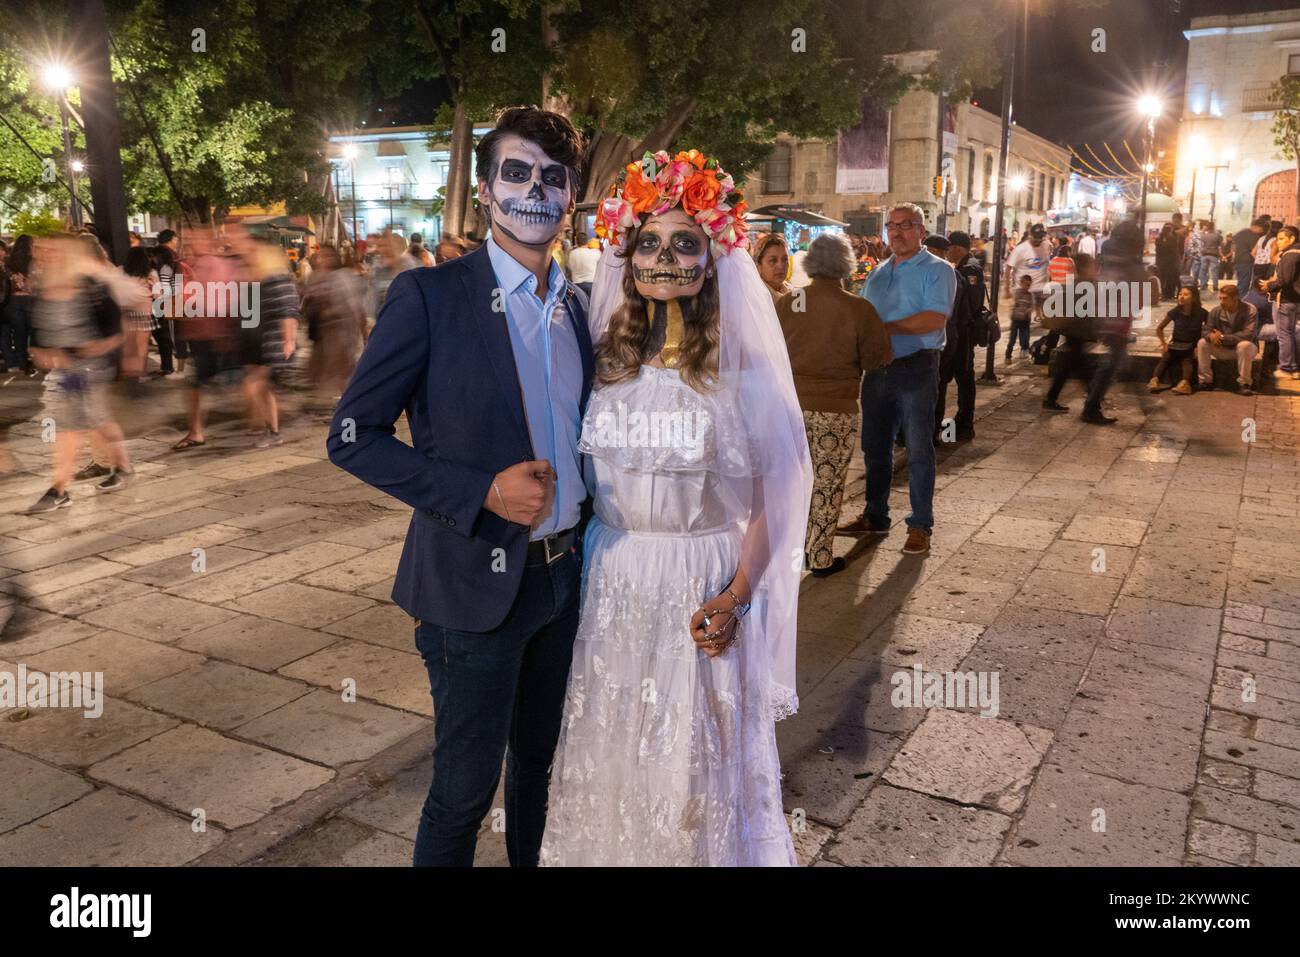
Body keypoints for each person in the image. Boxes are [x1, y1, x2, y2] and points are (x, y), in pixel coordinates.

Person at [328, 107, 591, 868]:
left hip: (565, 580)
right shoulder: (430, 296)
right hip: (473, 584)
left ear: (570, 195)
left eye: (552, 177)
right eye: (516, 171)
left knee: (540, 771)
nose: (534, 189)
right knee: (464, 791)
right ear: (484, 190)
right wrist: (480, 490)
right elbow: (351, 437)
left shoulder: (576, 308)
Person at [540, 145, 811, 866]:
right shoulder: (606, 362)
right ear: (626, 259)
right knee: (614, 747)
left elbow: (776, 504)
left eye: (684, 243)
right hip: (614, 582)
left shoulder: (742, 375)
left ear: (712, 256)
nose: (664, 258)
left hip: (703, 579)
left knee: (694, 766)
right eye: (648, 243)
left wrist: (738, 596)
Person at [837, 202, 956, 555]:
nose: (897, 231)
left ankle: (920, 525)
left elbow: (935, 318)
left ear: (921, 230)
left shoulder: (938, 270)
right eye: (892, 225)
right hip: (877, 370)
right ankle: (875, 515)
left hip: (916, 365)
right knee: (874, 447)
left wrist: (882, 330)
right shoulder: (878, 270)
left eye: (906, 225)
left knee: (919, 448)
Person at [777, 232, 890, 577]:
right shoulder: (858, 308)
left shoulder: (789, 303)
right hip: (836, 410)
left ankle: (786, 554)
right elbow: (877, 358)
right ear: (846, 265)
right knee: (826, 484)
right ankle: (820, 557)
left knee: (790, 483)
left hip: (789, 408)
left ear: (809, 263)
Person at [25, 234, 134, 510]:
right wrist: (40, 351)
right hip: (62, 371)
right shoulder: (42, 285)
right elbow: (38, 332)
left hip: (89, 368)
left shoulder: (90, 286)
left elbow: (117, 329)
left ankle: (59, 490)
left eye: (51, 249)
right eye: (40, 249)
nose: (44, 254)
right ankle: (123, 466)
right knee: (97, 419)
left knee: (68, 426)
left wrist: (95, 347)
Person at [1042, 221, 1144, 424]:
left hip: (1086, 329)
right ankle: (1091, 403)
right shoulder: (1089, 282)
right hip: (1086, 329)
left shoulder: (1104, 267)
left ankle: (1080, 399)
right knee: (1104, 363)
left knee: (1077, 363)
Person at [242, 239, 300, 446]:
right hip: (259, 341)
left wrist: (288, 341)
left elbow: (288, 310)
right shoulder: (257, 278)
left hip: (274, 342)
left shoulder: (278, 278)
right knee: (264, 389)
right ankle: (270, 430)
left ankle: (271, 430)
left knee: (255, 387)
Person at [302, 244, 367, 399]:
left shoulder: (343, 277)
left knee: (342, 365)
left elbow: (355, 306)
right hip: (320, 332)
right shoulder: (314, 276)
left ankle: (350, 398)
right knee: (321, 370)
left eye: (327, 256)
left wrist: (363, 332)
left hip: (340, 329)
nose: (323, 260)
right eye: (320, 256)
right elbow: (307, 300)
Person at [938, 230, 984, 442]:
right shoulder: (965, 266)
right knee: (960, 375)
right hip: (961, 330)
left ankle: (965, 422)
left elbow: (973, 303)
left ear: (958, 248)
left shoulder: (969, 269)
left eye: (949, 249)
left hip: (964, 332)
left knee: (964, 376)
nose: (948, 253)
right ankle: (960, 422)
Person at [1197, 282, 1258, 395]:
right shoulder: (1216, 311)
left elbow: (1247, 334)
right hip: (1223, 347)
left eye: (1225, 299)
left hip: (1245, 349)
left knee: (1244, 345)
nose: (1221, 302)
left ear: (1235, 298)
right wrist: (1211, 336)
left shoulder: (1250, 309)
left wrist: (1222, 337)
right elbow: (1206, 329)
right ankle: (1205, 381)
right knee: (1202, 343)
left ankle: (1244, 383)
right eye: (1220, 298)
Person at [1149, 284, 1206, 395]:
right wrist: (1164, 344)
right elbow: (1160, 328)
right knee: (1166, 358)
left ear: (1194, 298)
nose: (1181, 297)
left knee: (1187, 360)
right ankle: (1154, 380)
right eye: (1180, 294)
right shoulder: (1175, 312)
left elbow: (1209, 329)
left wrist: (1199, 347)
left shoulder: (1202, 313)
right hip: (1176, 344)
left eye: (1185, 294)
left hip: (1191, 345)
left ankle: (1185, 384)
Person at [1262, 224, 1300, 380]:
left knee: (1284, 334)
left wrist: (1268, 285)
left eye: (1281, 239)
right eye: (1277, 239)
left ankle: (1287, 367)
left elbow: (1285, 280)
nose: (1278, 242)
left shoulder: (1291, 255)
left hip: (1285, 300)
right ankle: (1294, 367)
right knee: (1292, 333)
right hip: (1295, 300)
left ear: (1292, 238)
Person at [1, 234, 35, 377]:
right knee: (33, 333)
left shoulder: (9, 262)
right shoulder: (34, 261)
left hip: (13, 301)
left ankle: (21, 363)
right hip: (31, 299)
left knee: (19, 333)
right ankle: (32, 362)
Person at [1005, 223, 1052, 319]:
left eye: (1040, 237)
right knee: (1022, 319)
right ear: (1030, 235)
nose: (1038, 240)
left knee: (1047, 315)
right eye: (1036, 237)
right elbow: (1009, 266)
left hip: (1041, 288)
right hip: (1024, 289)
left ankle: (1039, 317)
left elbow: (1046, 263)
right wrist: (1007, 287)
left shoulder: (1046, 246)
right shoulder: (1021, 249)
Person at [1235, 219, 1266, 293]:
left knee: (1241, 282)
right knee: (1244, 284)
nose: (1261, 231)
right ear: (1255, 227)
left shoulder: (1241, 232)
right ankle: (1240, 301)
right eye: (1261, 229)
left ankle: (1238, 299)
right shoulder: (1253, 236)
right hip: (1247, 262)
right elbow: (1254, 251)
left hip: (1238, 260)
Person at [1007, 273, 1034, 360]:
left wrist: (1029, 310)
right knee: (1012, 339)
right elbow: (1014, 304)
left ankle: (1024, 351)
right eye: (1026, 285)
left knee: (1025, 338)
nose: (1027, 287)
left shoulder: (1030, 295)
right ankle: (1008, 355)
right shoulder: (1017, 293)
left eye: (1029, 285)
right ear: (1021, 283)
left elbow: (1032, 305)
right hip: (1016, 319)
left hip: (1025, 320)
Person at [566, 231, 599, 297]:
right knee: (592, 306)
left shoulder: (572, 254)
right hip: (591, 284)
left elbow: (569, 267)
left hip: (577, 285)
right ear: (587, 242)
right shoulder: (595, 253)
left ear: (576, 242)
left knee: (581, 306)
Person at [1155, 223, 1182, 301]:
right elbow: (1174, 251)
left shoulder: (1158, 239)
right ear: (1170, 231)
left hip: (1161, 262)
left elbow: (1157, 251)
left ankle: (1163, 294)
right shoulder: (1173, 239)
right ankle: (1169, 294)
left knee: (1162, 278)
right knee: (1171, 278)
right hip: (1171, 262)